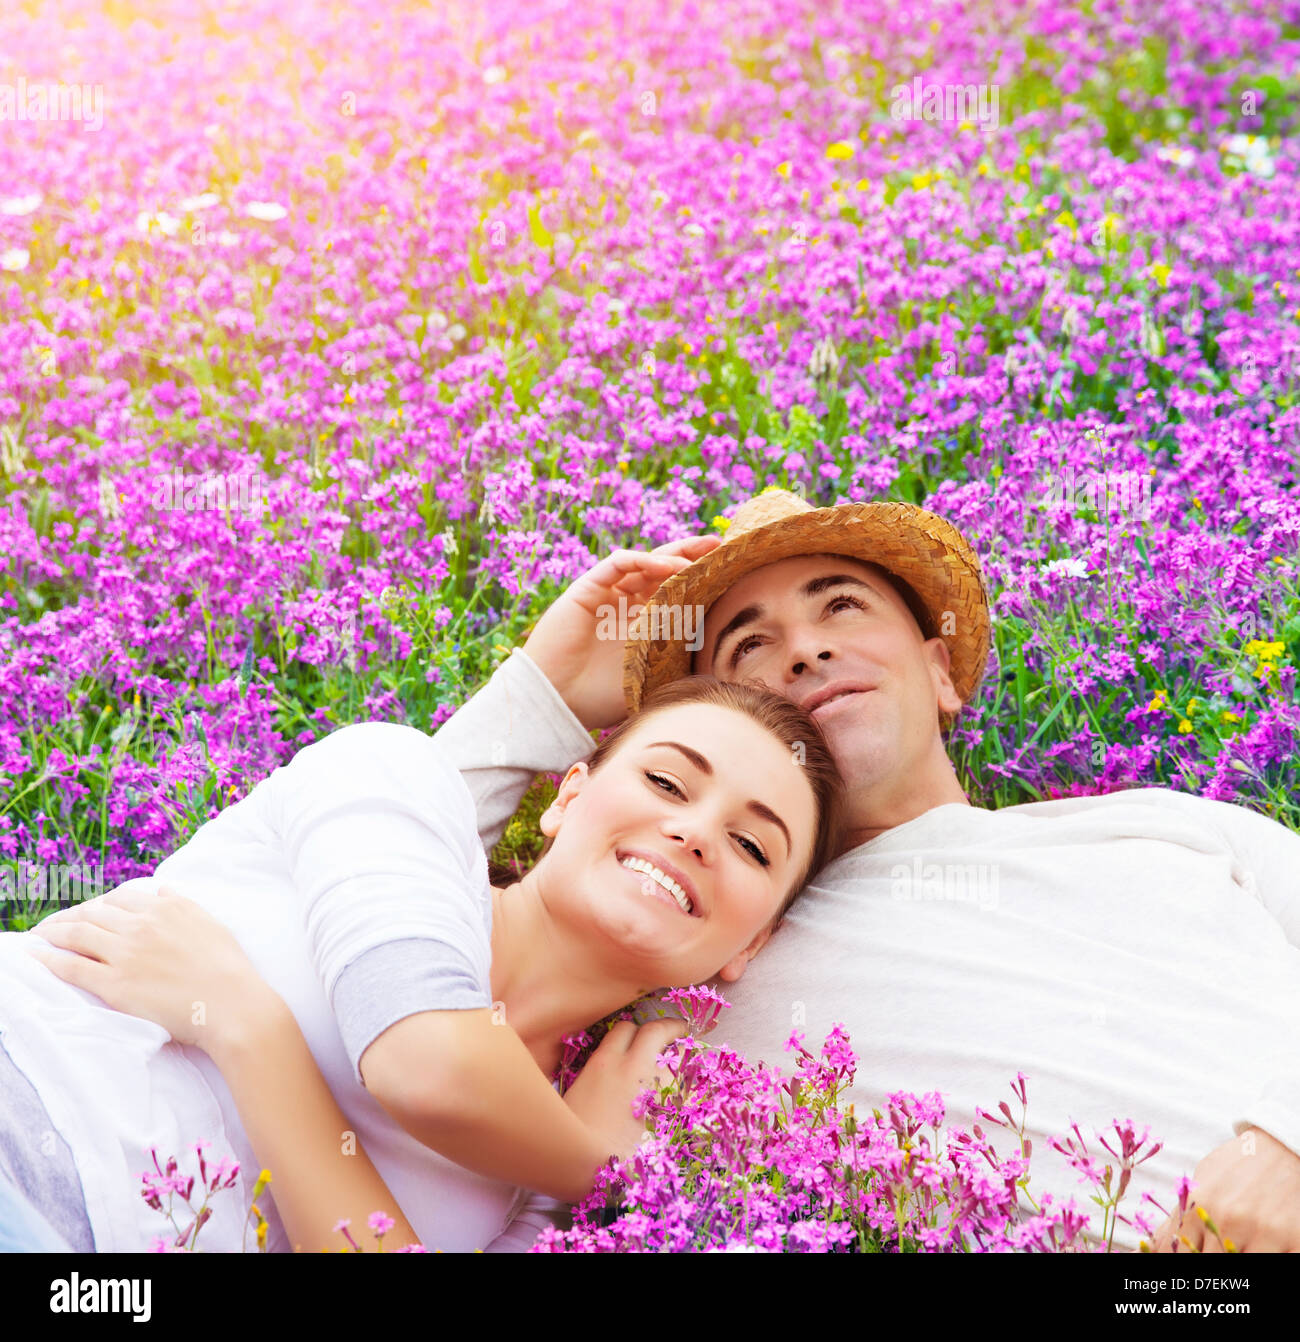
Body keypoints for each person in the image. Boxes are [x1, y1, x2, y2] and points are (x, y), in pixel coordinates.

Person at [427, 487, 1300, 1253]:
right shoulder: (701, 961)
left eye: (841, 607)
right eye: (747, 648)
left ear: (939, 672)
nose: (802, 652)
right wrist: (538, 692)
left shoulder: (1166, 826)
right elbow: (388, 924)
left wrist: (1283, 1144)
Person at [1, 671, 843, 1253]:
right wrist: (602, 1165)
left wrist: (248, 1028)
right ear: (569, 798)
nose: (695, 833)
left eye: (749, 844)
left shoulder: (543, 1181)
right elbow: (427, 1067)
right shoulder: (403, 786)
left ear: (750, 945)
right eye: (667, 783)